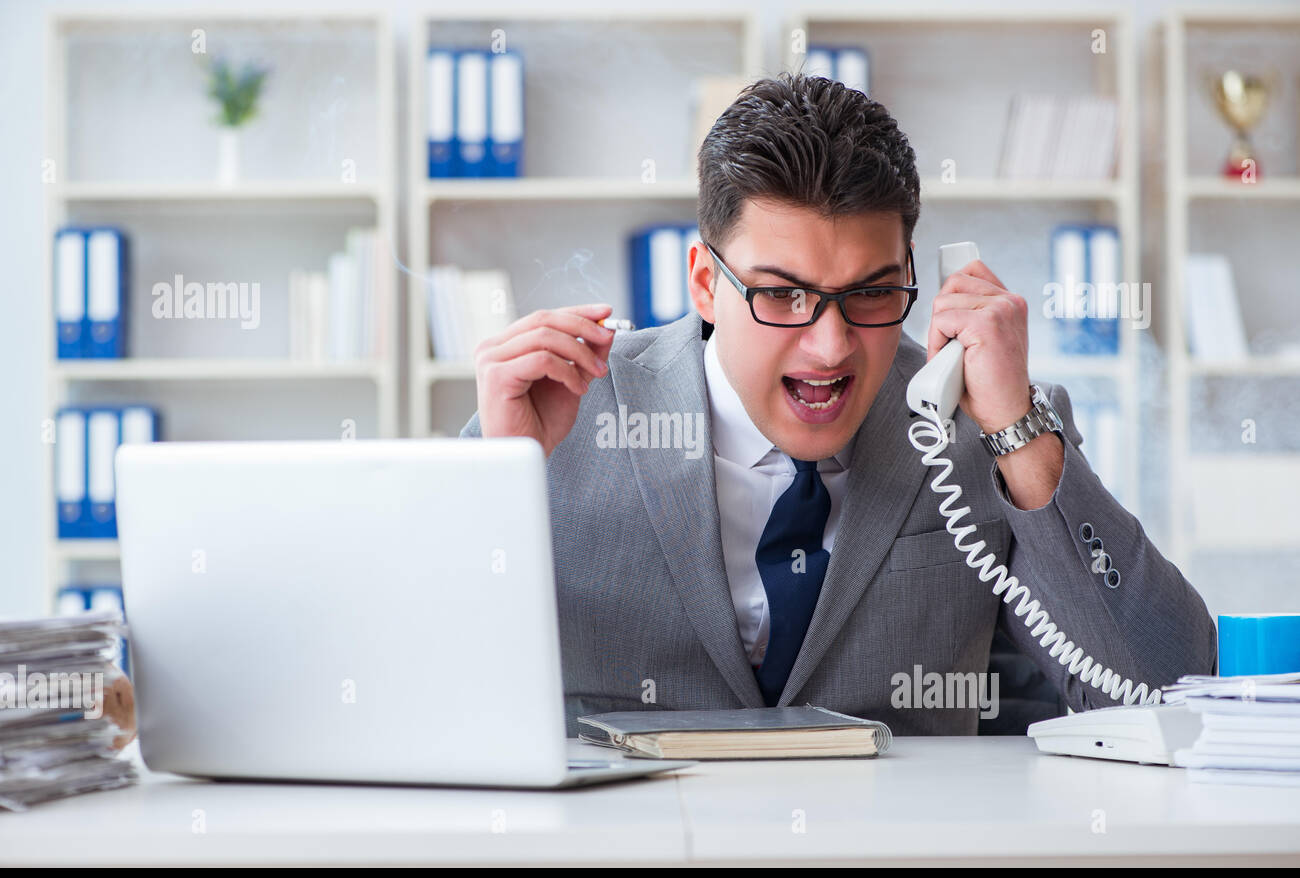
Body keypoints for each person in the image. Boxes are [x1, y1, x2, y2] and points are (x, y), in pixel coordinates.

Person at [461, 72, 1216, 735]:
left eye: (871, 292)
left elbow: (1171, 691)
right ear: (703, 284)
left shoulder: (988, 428)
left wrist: (1020, 437)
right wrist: (498, 484)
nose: (830, 346)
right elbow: (419, 691)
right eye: (782, 293)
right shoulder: (562, 410)